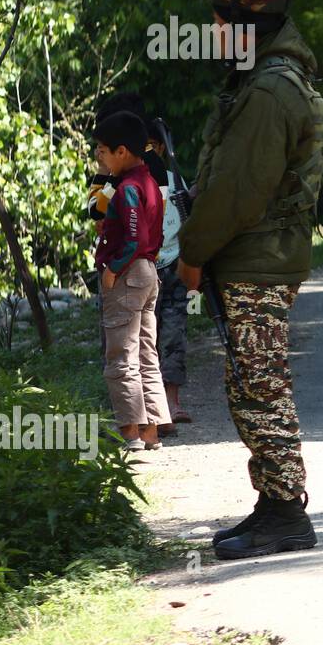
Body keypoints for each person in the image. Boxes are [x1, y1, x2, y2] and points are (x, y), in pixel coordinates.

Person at [176, 0, 323, 561]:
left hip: (256, 258)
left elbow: (238, 188)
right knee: (248, 381)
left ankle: (288, 512)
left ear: (244, 26)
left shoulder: (268, 91)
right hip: (254, 255)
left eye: (218, 22)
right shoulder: (261, 80)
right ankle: (272, 505)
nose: (212, 32)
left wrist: (192, 253)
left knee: (261, 383)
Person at [92, 110, 170, 451]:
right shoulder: (151, 182)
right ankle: (151, 432)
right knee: (145, 353)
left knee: (121, 355)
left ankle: (130, 433)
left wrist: (113, 268)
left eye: (103, 151)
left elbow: (134, 237)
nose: (99, 157)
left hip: (128, 274)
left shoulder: (127, 189)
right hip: (150, 273)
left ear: (121, 152)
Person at [147, 118, 192, 435]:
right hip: (145, 268)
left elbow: (188, 217)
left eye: (150, 146)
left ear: (161, 148)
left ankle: (172, 402)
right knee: (146, 337)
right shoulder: (130, 183)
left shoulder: (175, 181)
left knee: (174, 335)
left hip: (174, 266)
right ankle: (149, 408)